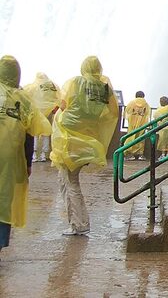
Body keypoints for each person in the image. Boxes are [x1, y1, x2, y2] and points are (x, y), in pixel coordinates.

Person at [50, 56, 118, 236]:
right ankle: (76, 221)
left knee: (71, 181)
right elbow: (113, 112)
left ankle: (79, 224)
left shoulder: (75, 82)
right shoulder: (105, 88)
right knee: (64, 178)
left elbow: (63, 105)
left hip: (69, 137)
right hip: (88, 139)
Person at [0, 56, 51, 258]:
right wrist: (28, 164)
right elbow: (30, 134)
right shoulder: (24, 100)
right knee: (4, 199)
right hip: (11, 158)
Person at [23, 72, 60, 162]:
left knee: (35, 132)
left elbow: (26, 95)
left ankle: (34, 155)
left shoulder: (33, 86)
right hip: (49, 113)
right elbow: (58, 97)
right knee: (46, 133)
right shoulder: (53, 85)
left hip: (37, 113)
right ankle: (44, 154)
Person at [123, 91, 150, 160]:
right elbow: (147, 114)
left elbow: (127, 112)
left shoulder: (132, 103)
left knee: (130, 137)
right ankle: (140, 154)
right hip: (142, 124)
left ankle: (128, 153)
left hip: (132, 123)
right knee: (140, 138)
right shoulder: (146, 104)